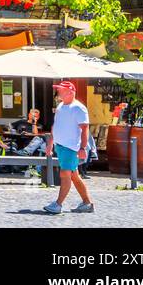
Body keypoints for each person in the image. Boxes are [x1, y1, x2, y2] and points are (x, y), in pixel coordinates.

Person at [43, 81, 93, 215]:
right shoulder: (60, 106)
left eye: (61, 90)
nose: (58, 92)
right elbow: (56, 126)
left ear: (70, 92)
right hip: (61, 147)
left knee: (65, 174)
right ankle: (87, 203)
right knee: (74, 176)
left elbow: (85, 129)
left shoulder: (79, 108)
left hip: (71, 148)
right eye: (58, 89)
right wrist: (51, 143)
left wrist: (83, 148)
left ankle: (58, 204)